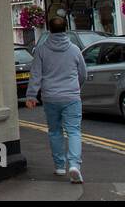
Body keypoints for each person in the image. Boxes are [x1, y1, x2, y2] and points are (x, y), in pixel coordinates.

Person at [26, 12, 88, 183]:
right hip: (71, 96)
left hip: (50, 97)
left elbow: (36, 74)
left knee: (55, 131)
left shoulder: (41, 50)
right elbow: (83, 74)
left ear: (49, 29)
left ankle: (60, 166)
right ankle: (74, 165)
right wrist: (75, 87)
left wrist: (31, 95)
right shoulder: (75, 50)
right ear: (66, 29)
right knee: (74, 131)